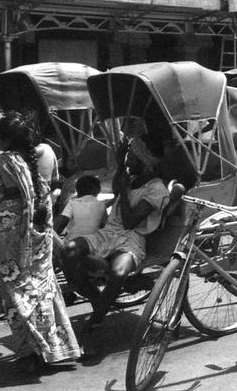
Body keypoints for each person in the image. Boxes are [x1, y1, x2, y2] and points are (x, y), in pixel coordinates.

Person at [0, 112, 82, 370]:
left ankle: (29, 353)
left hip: (8, 233)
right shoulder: (42, 156)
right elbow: (48, 190)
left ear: (3, 139)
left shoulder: (1, 161)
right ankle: (56, 346)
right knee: (43, 286)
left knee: (14, 291)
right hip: (40, 230)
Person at [61, 127, 171, 329]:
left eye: (132, 158)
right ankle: (98, 301)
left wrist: (125, 190)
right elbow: (116, 186)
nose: (129, 162)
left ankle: (96, 321)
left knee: (119, 274)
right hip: (107, 233)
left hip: (132, 239)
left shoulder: (157, 189)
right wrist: (120, 163)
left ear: (145, 162)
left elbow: (130, 222)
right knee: (67, 251)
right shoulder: (131, 177)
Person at [54, 175, 107, 243]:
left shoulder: (72, 203)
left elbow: (61, 225)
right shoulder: (102, 205)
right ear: (97, 191)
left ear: (78, 190)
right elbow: (104, 227)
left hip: (72, 244)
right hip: (93, 246)